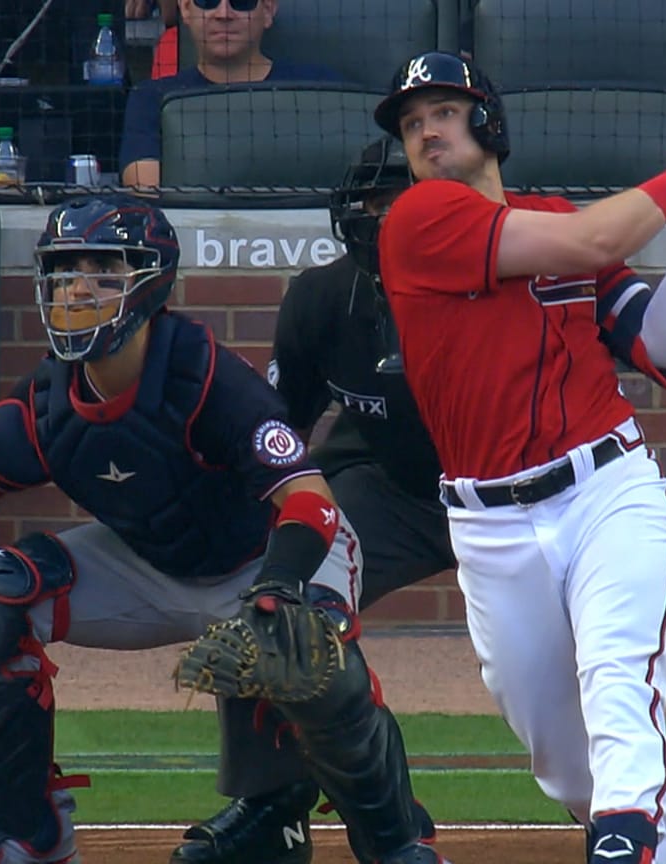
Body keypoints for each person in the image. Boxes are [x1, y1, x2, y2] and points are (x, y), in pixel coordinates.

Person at [0, 194, 449, 864]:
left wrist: (281, 588)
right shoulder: (48, 401)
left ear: (150, 281)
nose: (79, 285)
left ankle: (399, 844)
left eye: (103, 266)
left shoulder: (204, 376)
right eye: (64, 268)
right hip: (150, 564)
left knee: (311, 655)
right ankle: (29, 834)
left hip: (268, 554)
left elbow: (310, 496)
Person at [372, 51, 666, 864]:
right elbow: (592, 242)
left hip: (606, 491)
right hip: (489, 526)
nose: (426, 134)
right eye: (411, 125)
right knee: (565, 766)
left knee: (618, 684)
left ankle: (629, 842)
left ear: (488, 121)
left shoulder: (548, 214)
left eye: (442, 113)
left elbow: (656, 343)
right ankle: (665, 846)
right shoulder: (419, 221)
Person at [174, 137, 458, 864]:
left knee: (570, 668)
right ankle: (281, 803)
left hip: (519, 494)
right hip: (389, 486)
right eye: (377, 199)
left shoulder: (509, 275)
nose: (390, 213)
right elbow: (278, 433)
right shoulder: (322, 298)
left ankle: (626, 810)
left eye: (411, 195)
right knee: (275, 598)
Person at [117, 0, 341, 187]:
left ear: (268, 10)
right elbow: (145, 188)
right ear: (185, 9)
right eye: (207, 1)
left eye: (242, 1)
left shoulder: (320, 89)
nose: (223, 13)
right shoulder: (152, 98)